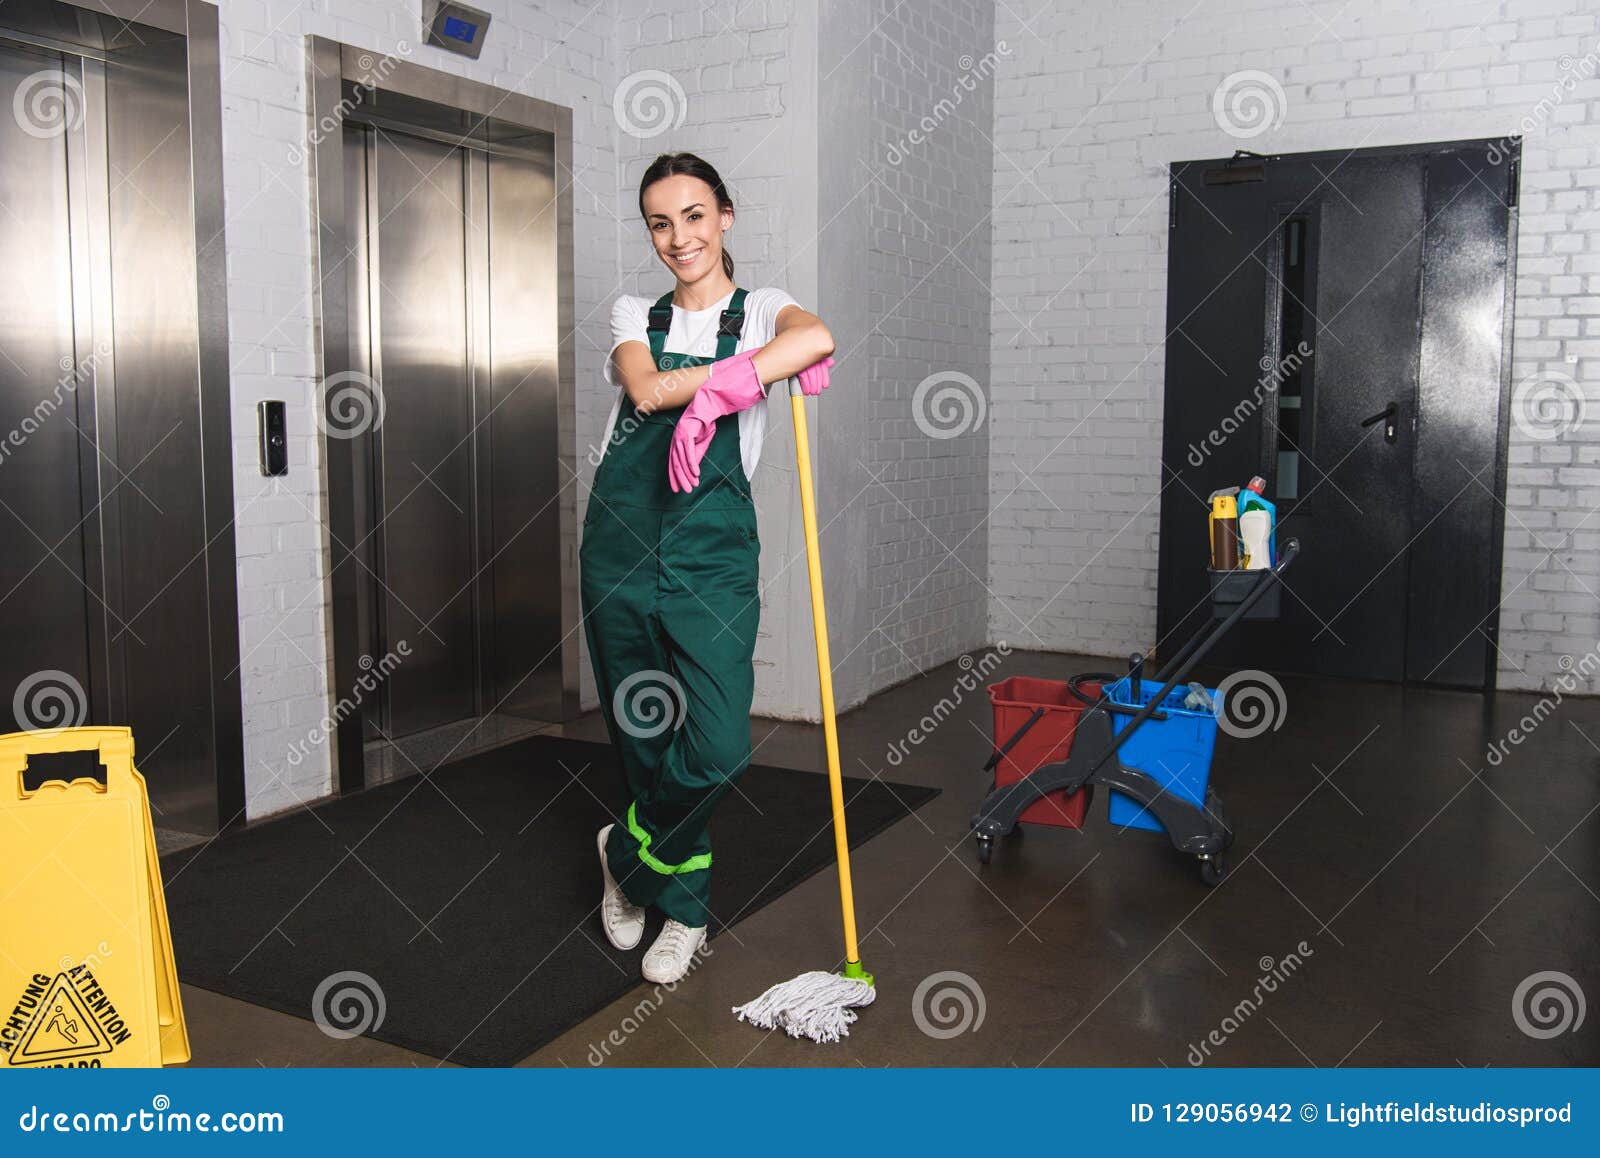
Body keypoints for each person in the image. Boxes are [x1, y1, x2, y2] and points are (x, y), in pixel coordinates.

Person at [581, 152, 836, 984]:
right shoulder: (632, 311)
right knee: (644, 733)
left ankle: (627, 856)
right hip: (620, 544)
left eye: (694, 216)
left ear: (725, 216)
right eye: (661, 221)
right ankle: (682, 912)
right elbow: (646, 389)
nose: (678, 237)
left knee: (720, 743)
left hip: (712, 551)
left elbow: (817, 336)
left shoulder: (761, 307)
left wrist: (738, 378)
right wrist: (738, 379)